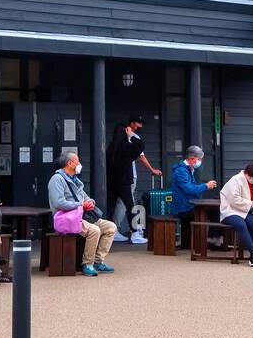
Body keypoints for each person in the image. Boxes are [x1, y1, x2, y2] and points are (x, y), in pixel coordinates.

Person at [47, 151, 118, 276]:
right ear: (70, 163)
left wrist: (90, 202)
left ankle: (98, 261)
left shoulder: (75, 180)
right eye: (77, 161)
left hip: (81, 216)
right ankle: (88, 264)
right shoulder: (56, 179)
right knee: (94, 230)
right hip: (66, 218)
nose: (80, 163)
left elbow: (84, 196)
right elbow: (59, 203)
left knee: (110, 227)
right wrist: (80, 205)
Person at [106, 115, 160, 245]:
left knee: (112, 206)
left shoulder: (111, 148)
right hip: (125, 182)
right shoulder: (127, 146)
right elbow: (141, 146)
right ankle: (135, 233)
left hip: (112, 181)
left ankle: (111, 232)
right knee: (130, 206)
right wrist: (132, 136)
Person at [220, 161, 253, 267]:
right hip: (230, 211)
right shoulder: (235, 180)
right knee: (241, 225)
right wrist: (252, 203)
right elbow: (234, 200)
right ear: (247, 174)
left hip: (245, 211)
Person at [170, 145, 217, 249]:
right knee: (215, 212)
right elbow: (188, 188)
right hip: (184, 206)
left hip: (186, 204)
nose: (200, 162)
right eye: (199, 159)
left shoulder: (186, 169)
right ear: (192, 158)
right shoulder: (181, 171)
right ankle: (212, 241)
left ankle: (192, 243)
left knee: (210, 210)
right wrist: (206, 186)